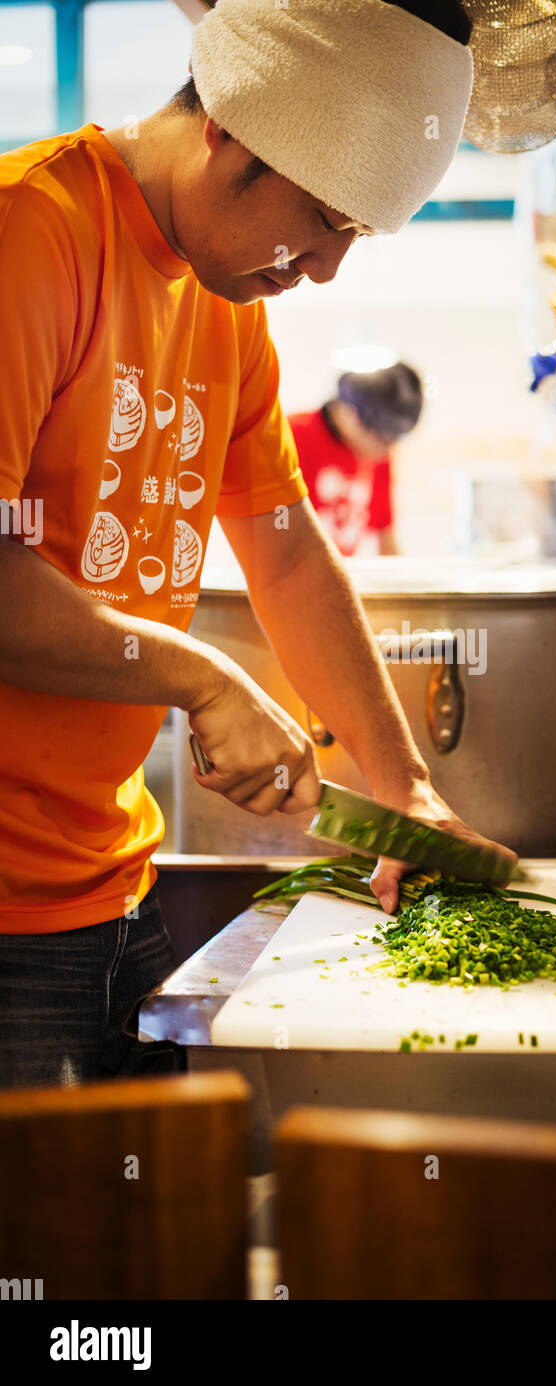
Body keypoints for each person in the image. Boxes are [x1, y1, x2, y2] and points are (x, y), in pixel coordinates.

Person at [0, 0, 515, 1088]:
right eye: (320, 218)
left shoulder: (228, 305)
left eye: (351, 238)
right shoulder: (28, 234)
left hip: (109, 886)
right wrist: (201, 676)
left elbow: (284, 550)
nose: (323, 270)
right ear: (229, 126)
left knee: (148, 1239)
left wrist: (401, 785)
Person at [290, 363, 424, 556]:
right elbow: (276, 525)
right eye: (383, 438)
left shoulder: (379, 456)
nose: (387, 449)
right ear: (351, 414)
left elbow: (386, 538)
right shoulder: (293, 437)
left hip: (336, 577)